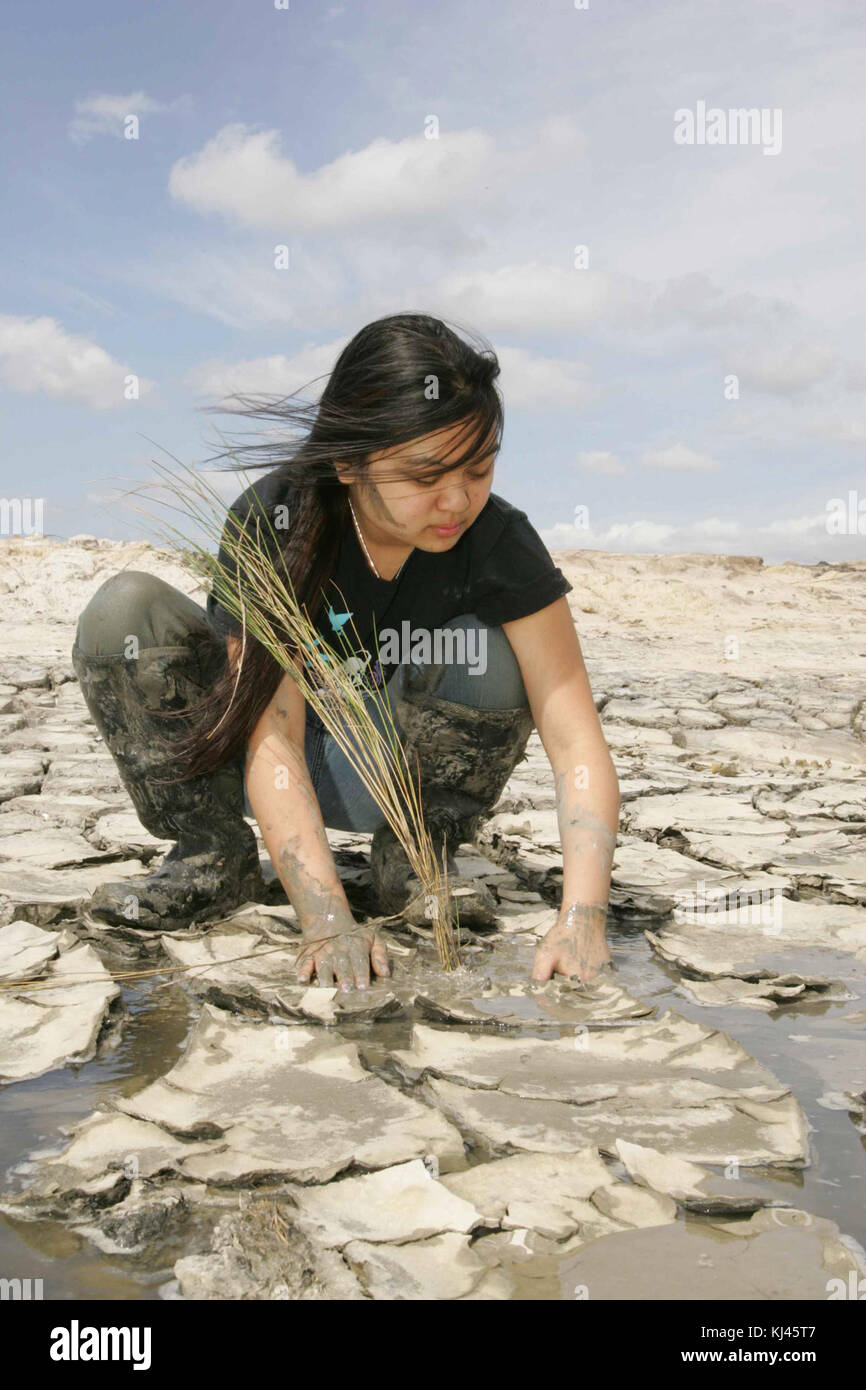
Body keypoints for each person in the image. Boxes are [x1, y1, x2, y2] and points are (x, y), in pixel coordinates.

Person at [71, 313, 619, 991]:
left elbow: (575, 741)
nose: (457, 501)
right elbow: (271, 734)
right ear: (348, 460)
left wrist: (583, 915)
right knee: (125, 610)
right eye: (425, 476)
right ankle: (212, 858)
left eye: (480, 469)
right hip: (253, 763)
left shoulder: (499, 540)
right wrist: (327, 918)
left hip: (396, 781)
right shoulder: (276, 517)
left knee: (486, 649)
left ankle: (413, 867)